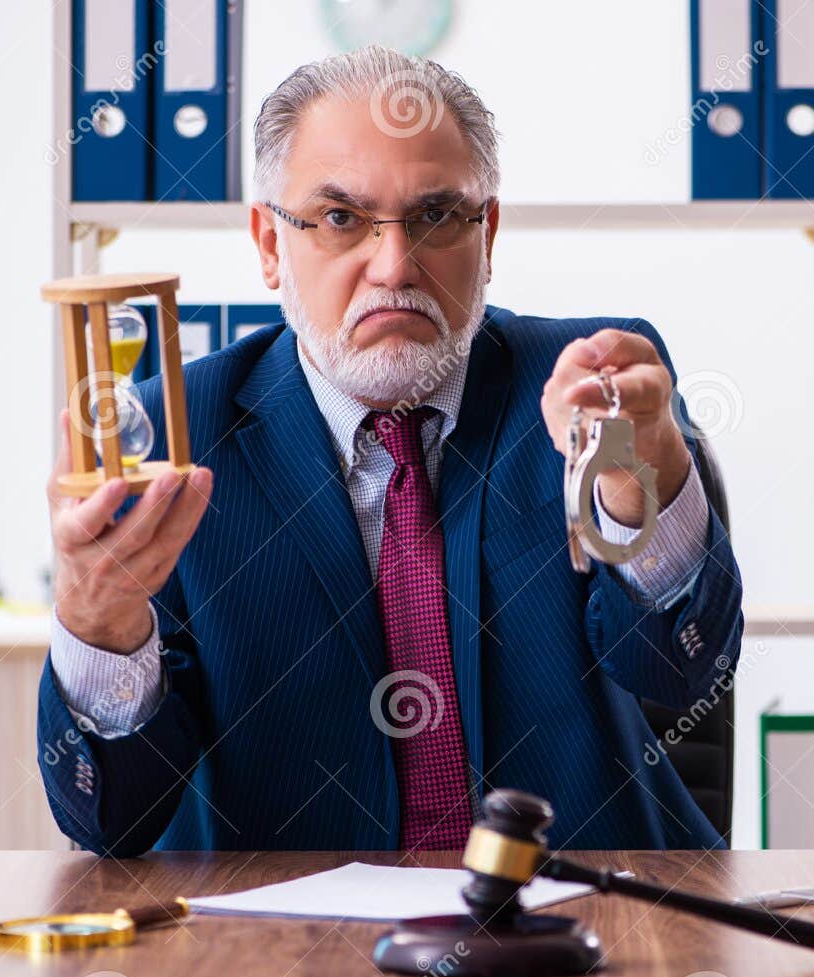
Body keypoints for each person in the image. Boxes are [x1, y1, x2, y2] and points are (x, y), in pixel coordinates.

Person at [37, 47, 743, 855]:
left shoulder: (598, 393)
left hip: (582, 929)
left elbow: (681, 674)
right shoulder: (177, 435)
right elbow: (111, 818)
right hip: (283, 951)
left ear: (489, 233)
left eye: (437, 217)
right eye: (340, 219)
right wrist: (99, 622)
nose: (394, 266)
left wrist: (638, 500)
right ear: (269, 244)